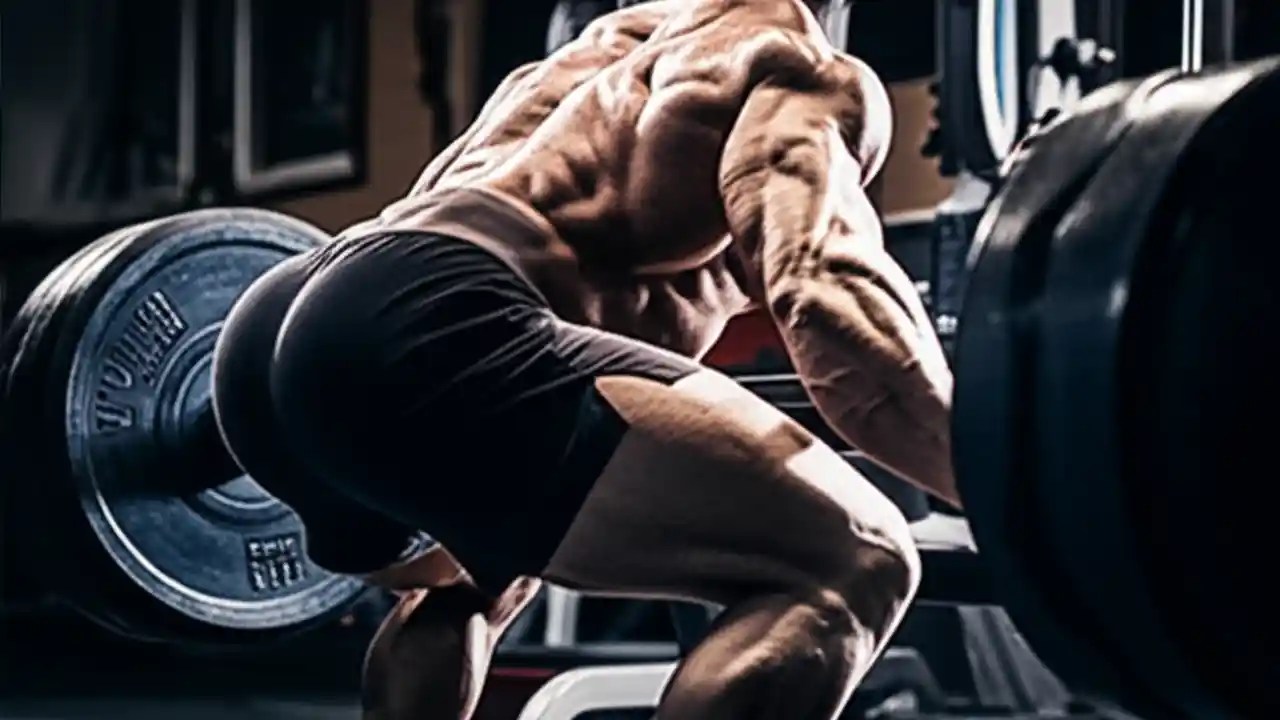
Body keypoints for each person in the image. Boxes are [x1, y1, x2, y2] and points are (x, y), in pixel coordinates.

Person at [211, 1, 958, 718]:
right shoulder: (799, 67)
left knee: (482, 568)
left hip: (285, 320)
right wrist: (1010, 487)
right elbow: (824, 297)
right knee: (855, 559)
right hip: (435, 324)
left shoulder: (603, 47)